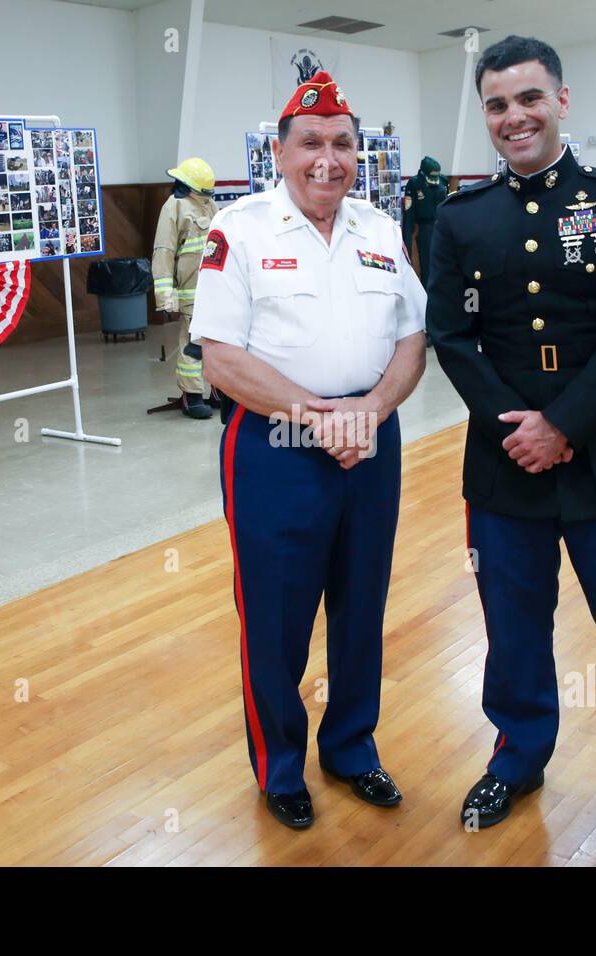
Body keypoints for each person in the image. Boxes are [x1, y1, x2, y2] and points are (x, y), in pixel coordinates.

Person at [427, 35, 596, 852]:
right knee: (513, 628)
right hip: (507, 469)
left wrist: (563, 425)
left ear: (562, 100)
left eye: (529, 98)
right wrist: (521, 431)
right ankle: (519, 755)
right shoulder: (462, 217)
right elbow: (452, 335)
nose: (514, 117)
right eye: (497, 104)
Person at [190, 71, 426, 830]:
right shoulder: (242, 229)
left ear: (359, 154)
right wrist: (320, 416)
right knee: (277, 615)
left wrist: (371, 409)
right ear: (280, 154)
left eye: (342, 144)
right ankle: (280, 764)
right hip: (276, 445)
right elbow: (219, 357)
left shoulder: (381, 230)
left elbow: (412, 340)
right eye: (311, 143)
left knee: (361, 606)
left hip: (372, 442)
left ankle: (352, 749)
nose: (328, 159)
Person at [152, 157, 219, 419]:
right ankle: (191, 396)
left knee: (218, 340)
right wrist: (165, 296)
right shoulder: (174, 207)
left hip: (215, 291)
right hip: (191, 292)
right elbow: (164, 251)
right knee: (193, 343)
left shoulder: (209, 205)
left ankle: (218, 390)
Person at [400, 155, 448, 287]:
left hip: (442, 228)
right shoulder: (414, 184)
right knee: (427, 266)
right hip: (425, 230)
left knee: (444, 264)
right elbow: (409, 215)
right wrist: (407, 245)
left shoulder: (443, 181)